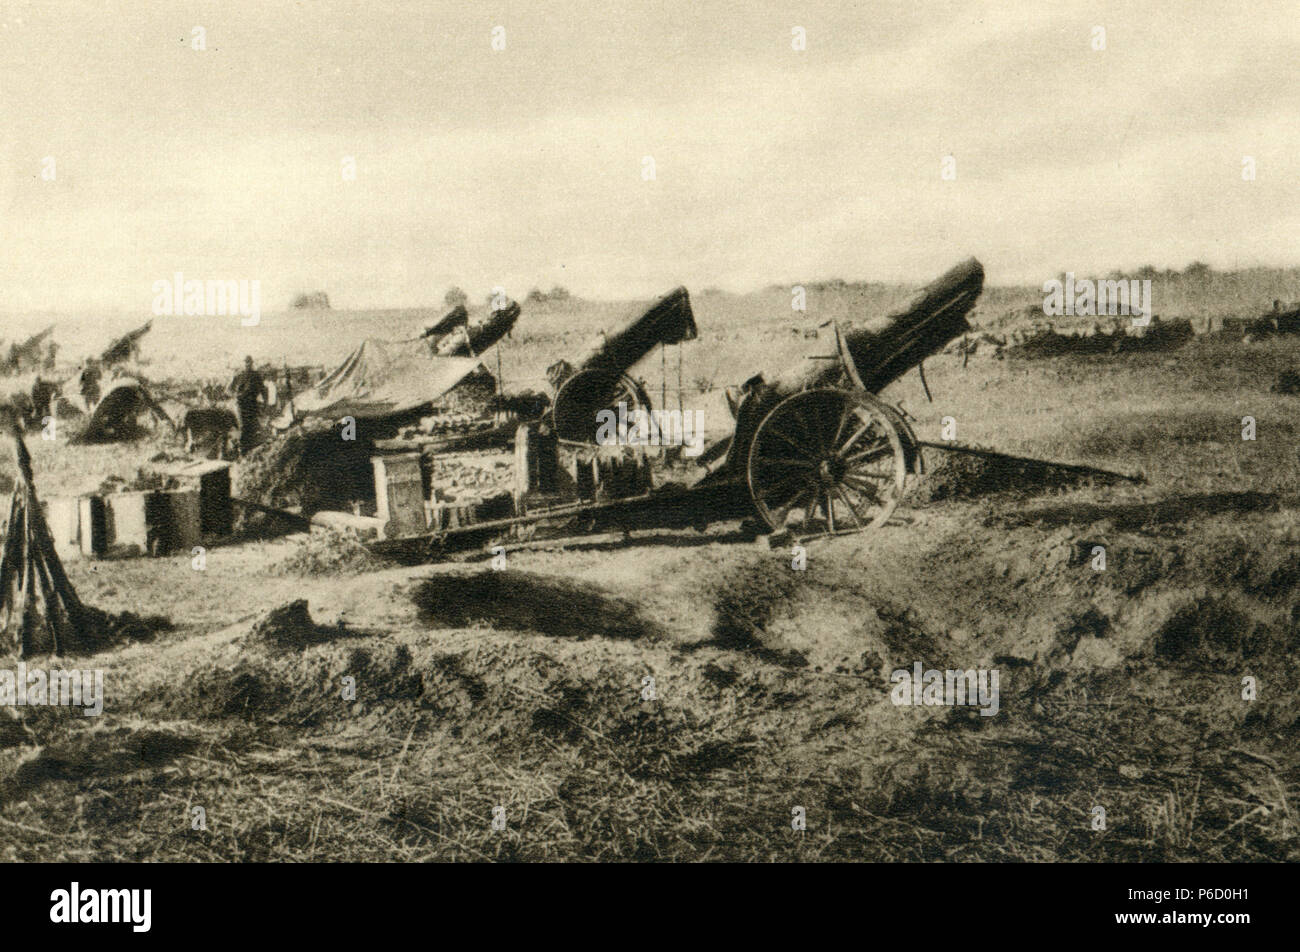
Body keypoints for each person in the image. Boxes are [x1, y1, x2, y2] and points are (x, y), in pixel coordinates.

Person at [230, 355, 266, 455]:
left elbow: (263, 390)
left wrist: (265, 403)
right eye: (246, 362)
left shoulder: (256, 375)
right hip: (241, 405)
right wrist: (236, 395)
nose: (247, 364)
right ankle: (242, 449)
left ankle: (251, 448)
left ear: (252, 363)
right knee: (243, 426)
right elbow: (229, 390)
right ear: (243, 363)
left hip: (253, 404)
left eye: (249, 362)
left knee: (253, 425)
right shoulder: (239, 376)